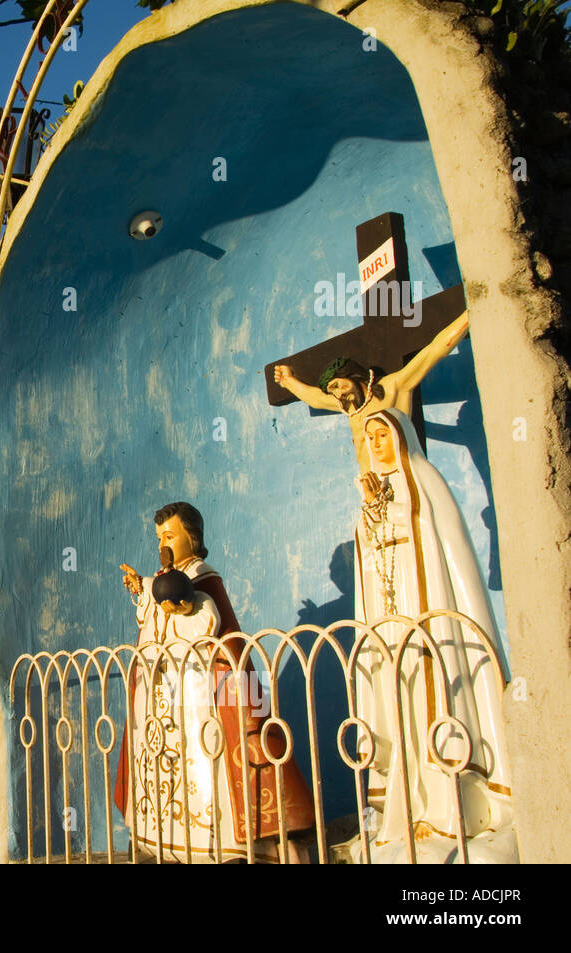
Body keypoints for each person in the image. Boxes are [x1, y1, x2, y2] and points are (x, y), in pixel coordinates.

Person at [346, 409, 516, 862]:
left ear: (401, 435)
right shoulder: (369, 494)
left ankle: (453, 807)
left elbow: (440, 545)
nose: (376, 444)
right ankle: (411, 806)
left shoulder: (424, 479)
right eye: (371, 437)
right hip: (391, 621)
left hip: (431, 619)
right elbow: (369, 556)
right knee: (401, 705)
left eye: (384, 434)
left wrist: (392, 507)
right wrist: (373, 512)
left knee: (439, 699)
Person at [116, 502, 316, 862]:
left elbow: (212, 627)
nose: (163, 542)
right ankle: (158, 837)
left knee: (207, 760)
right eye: (159, 536)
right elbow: (156, 603)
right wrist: (142, 588)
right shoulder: (170, 575)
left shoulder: (204, 579)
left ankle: (222, 843)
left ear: (193, 538)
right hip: (162, 696)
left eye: (170, 535)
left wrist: (184, 607)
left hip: (199, 695)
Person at [271, 311, 470, 473]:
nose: (339, 393)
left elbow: (433, 352)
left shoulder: (393, 387)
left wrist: (468, 317)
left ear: (353, 375)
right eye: (333, 390)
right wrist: (288, 381)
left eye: (339, 385)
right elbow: (315, 399)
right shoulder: (349, 406)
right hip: (370, 492)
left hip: (399, 477)